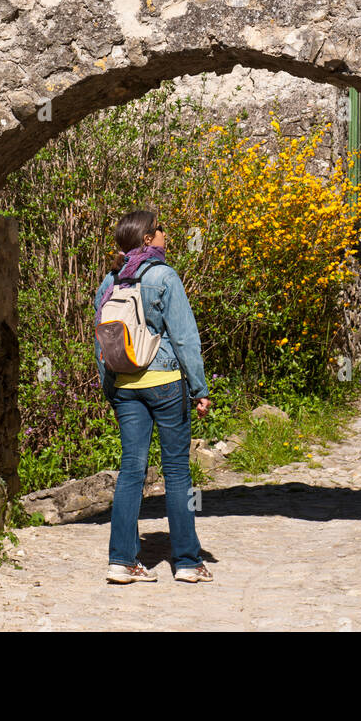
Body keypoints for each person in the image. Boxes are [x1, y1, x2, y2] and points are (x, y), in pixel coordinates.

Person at [95, 207, 213, 584]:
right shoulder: (164, 276)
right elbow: (184, 337)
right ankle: (188, 563)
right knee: (177, 471)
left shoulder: (109, 283)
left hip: (125, 385)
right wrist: (199, 388)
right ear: (148, 239)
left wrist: (110, 389)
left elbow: (102, 343)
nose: (165, 235)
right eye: (160, 230)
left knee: (131, 469)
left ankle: (122, 560)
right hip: (165, 382)